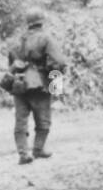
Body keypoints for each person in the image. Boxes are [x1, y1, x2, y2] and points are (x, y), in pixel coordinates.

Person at [5, 9, 67, 166]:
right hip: (39, 84)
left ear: (28, 23)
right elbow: (59, 62)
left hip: (19, 83)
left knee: (20, 120)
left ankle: (23, 154)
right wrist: (56, 87)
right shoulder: (46, 38)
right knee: (43, 120)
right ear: (41, 22)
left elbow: (11, 60)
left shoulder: (18, 39)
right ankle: (38, 149)